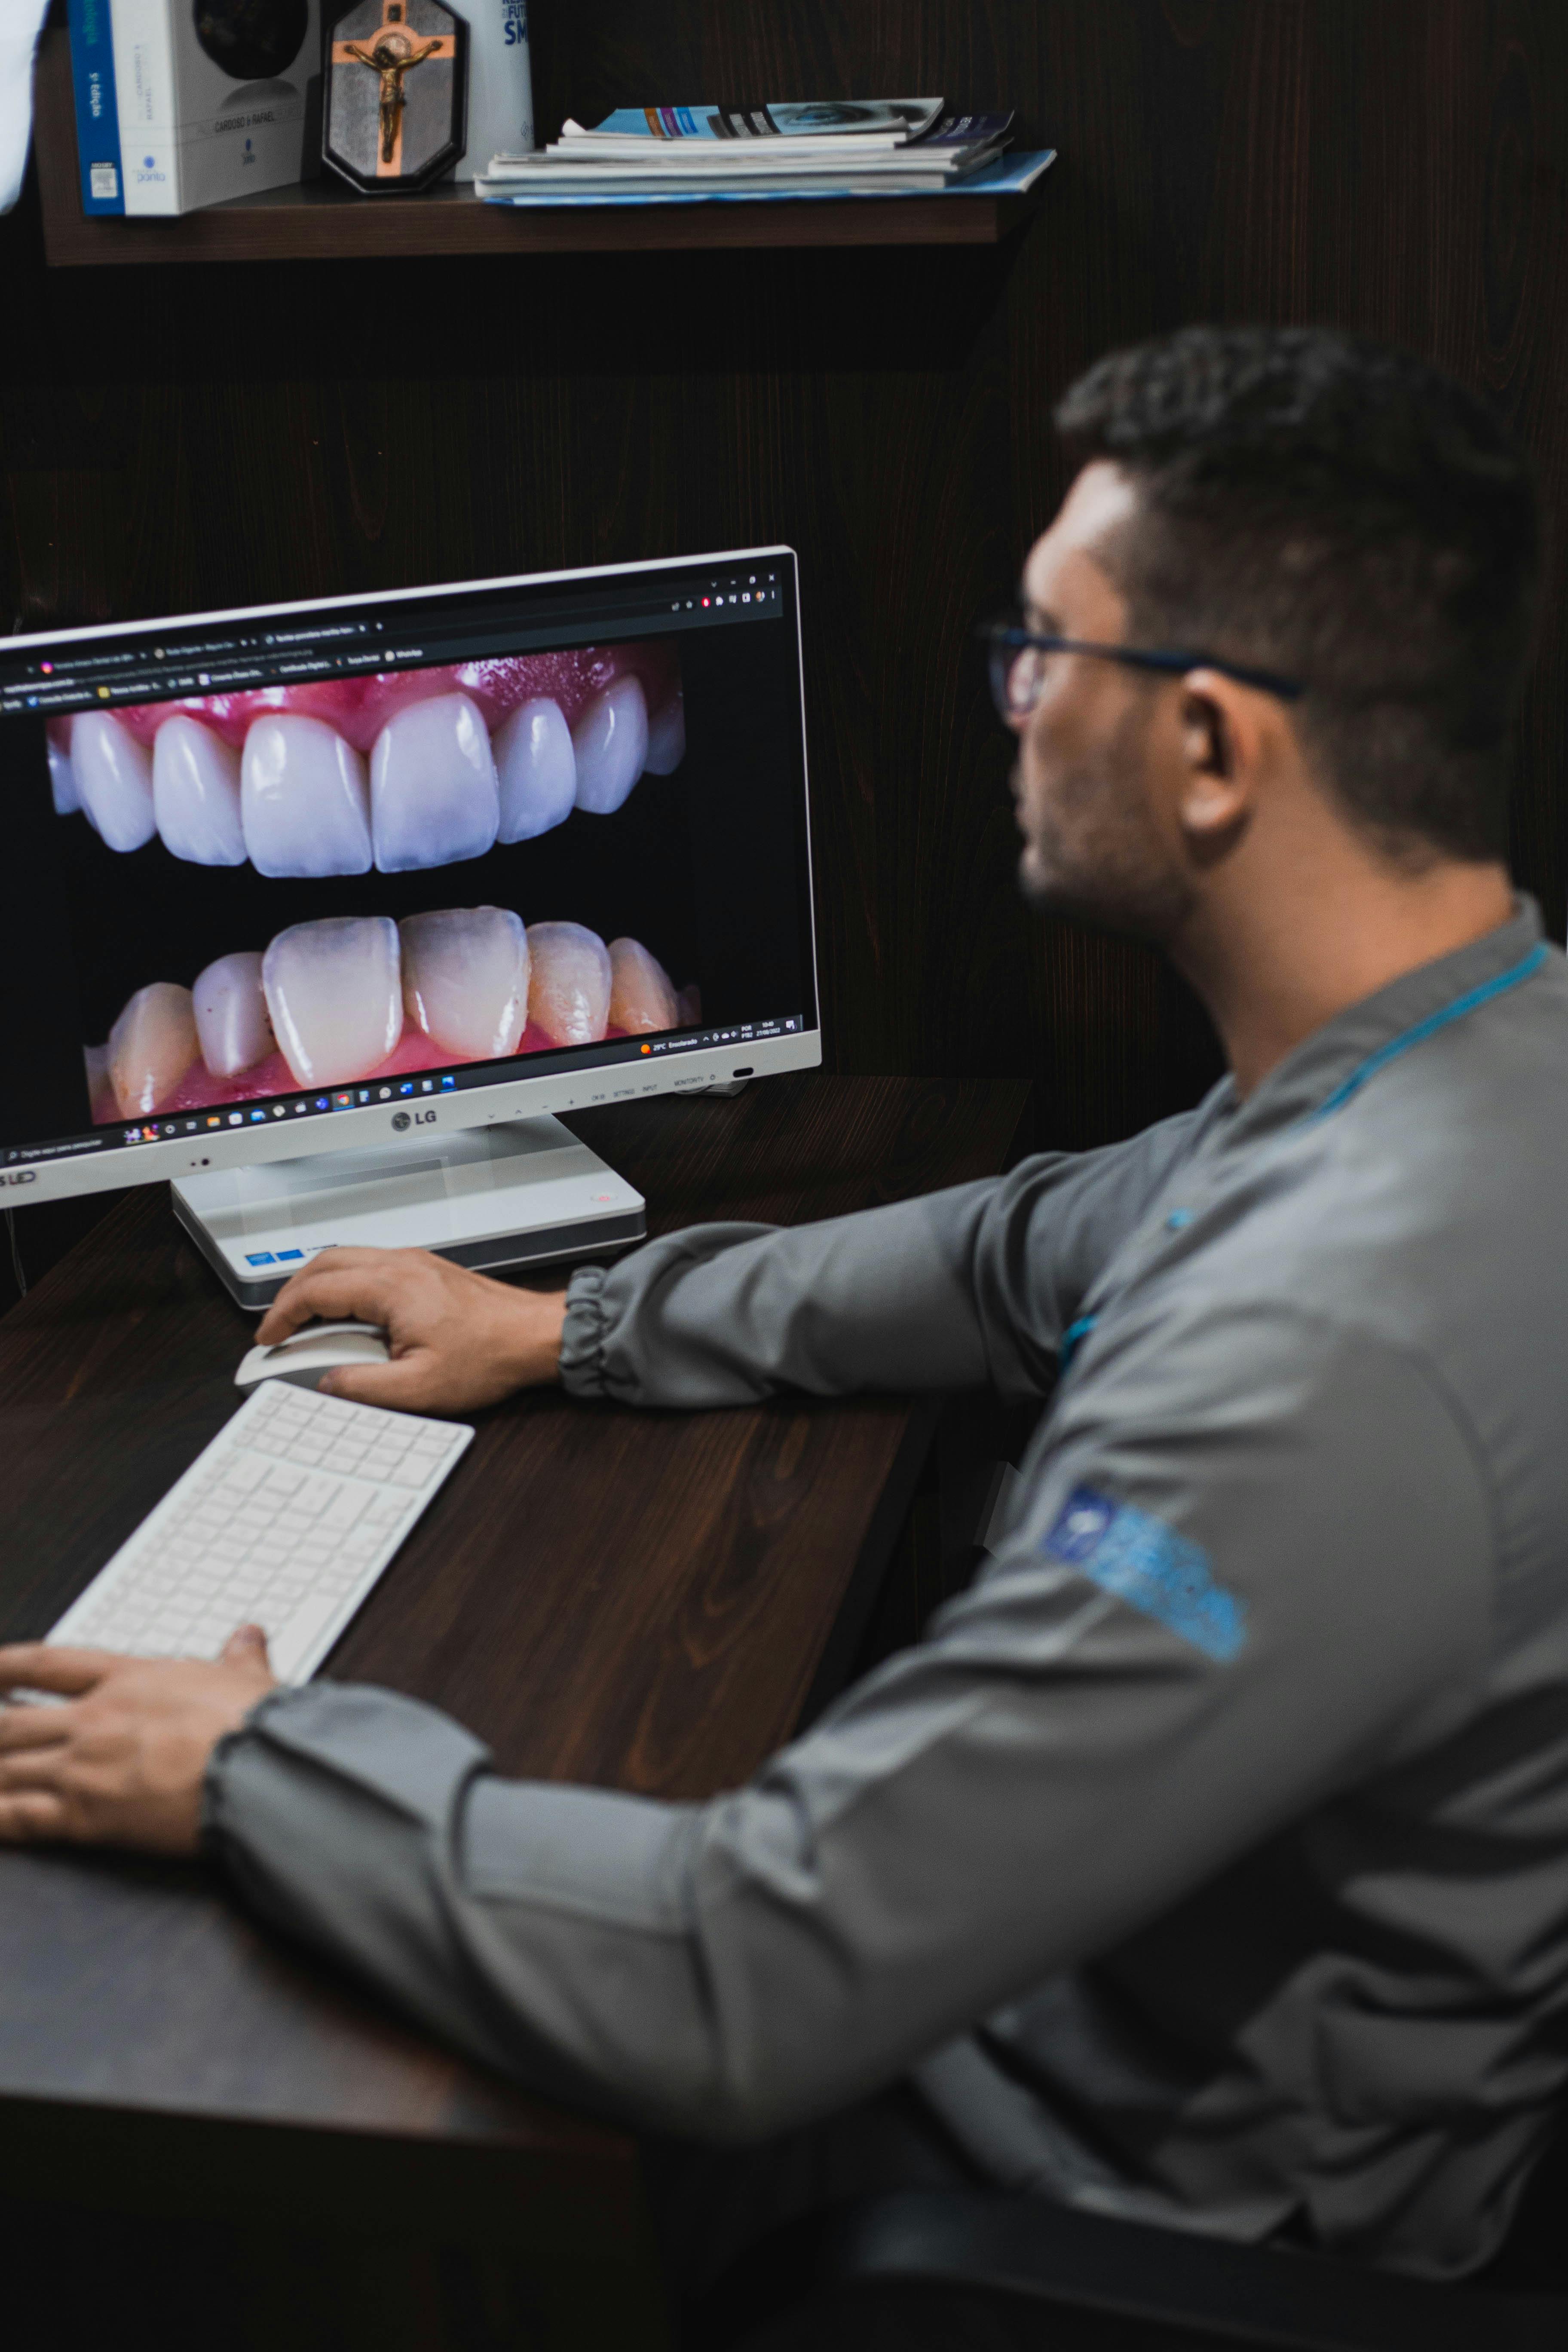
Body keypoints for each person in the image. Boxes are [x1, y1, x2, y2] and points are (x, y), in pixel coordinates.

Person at [2, 326, 1565, 2293]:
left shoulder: (1327, 1353)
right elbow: (1024, 1250)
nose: (1009, 708)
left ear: (1210, 746)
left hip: (1069, 2223)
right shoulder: (1481, 1053)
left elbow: (747, 1975)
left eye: (1044, 652)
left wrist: (248, 1762)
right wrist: (558, 1333)